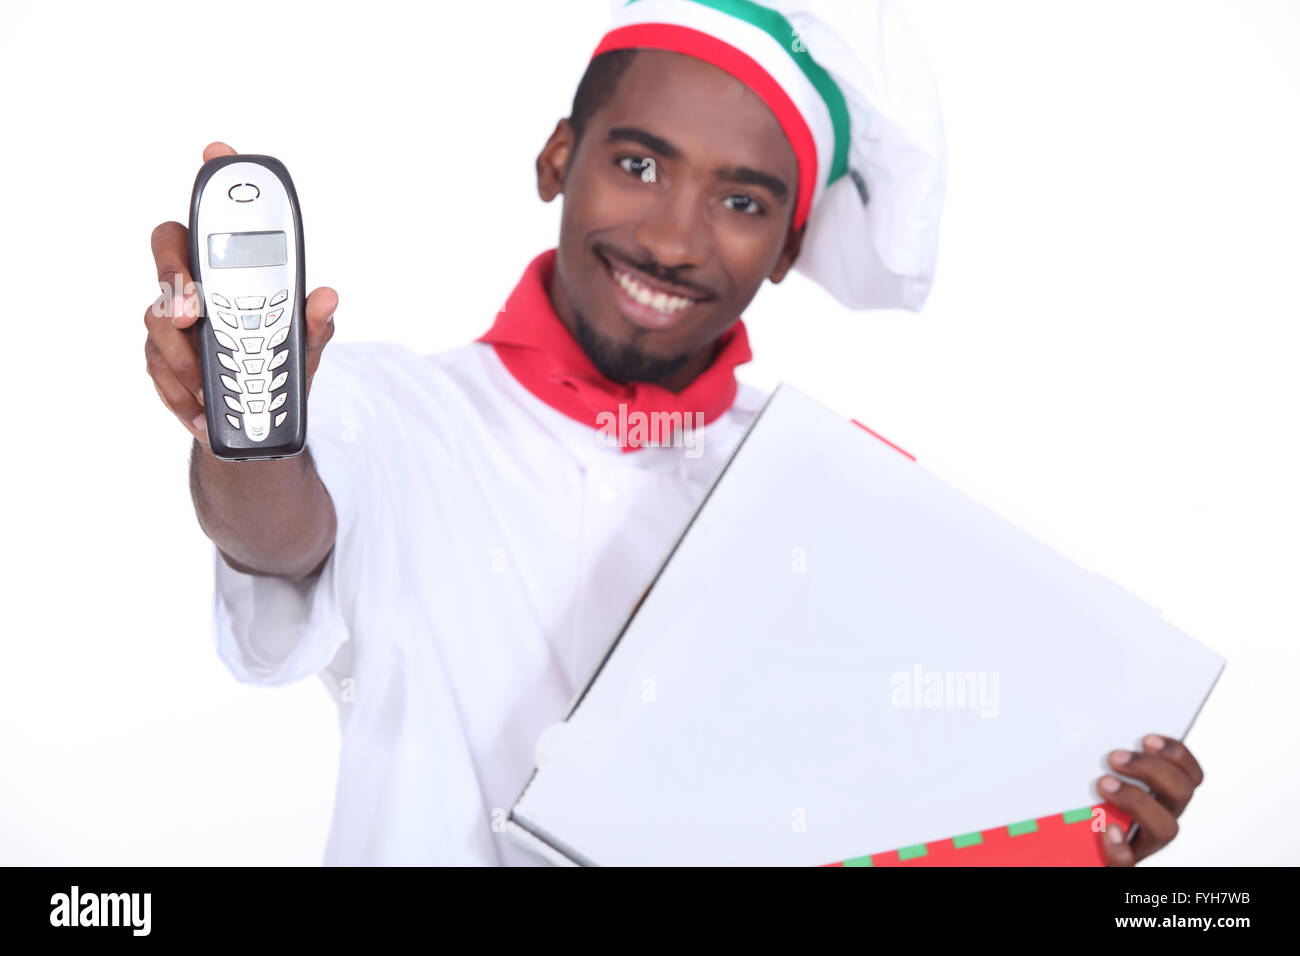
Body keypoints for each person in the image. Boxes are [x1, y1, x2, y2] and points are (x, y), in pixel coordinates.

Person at [141, 0, 1204, 865]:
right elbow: (281, 534)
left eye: (741, 201)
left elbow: (865, 804)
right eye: (638, 165)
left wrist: (1055, 828)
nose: (669, 237)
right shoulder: (388, 408)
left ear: (788, 245)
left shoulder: (827, 494)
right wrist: (248, 436)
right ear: (560, 155)